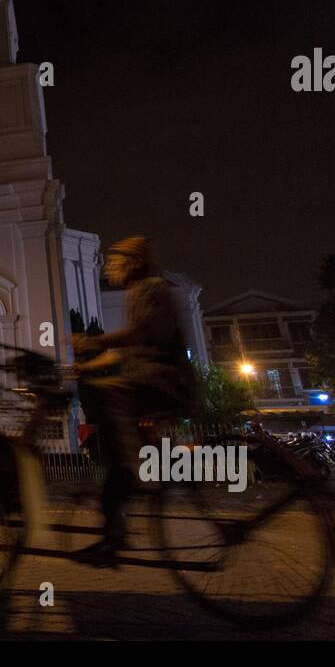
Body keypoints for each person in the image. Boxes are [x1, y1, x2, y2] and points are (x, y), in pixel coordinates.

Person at [71, 237, 200, 563]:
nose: (109, 267)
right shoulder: (136, 293)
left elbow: (142, 334)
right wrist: (81, 366)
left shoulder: (151, 289)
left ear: (135, 262)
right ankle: (119, 511)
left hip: (166, 382)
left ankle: (130, 467)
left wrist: (93, 340)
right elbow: (122, 352)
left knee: (107, 396)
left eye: (115, 261)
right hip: (150, 380)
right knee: (109, 408)